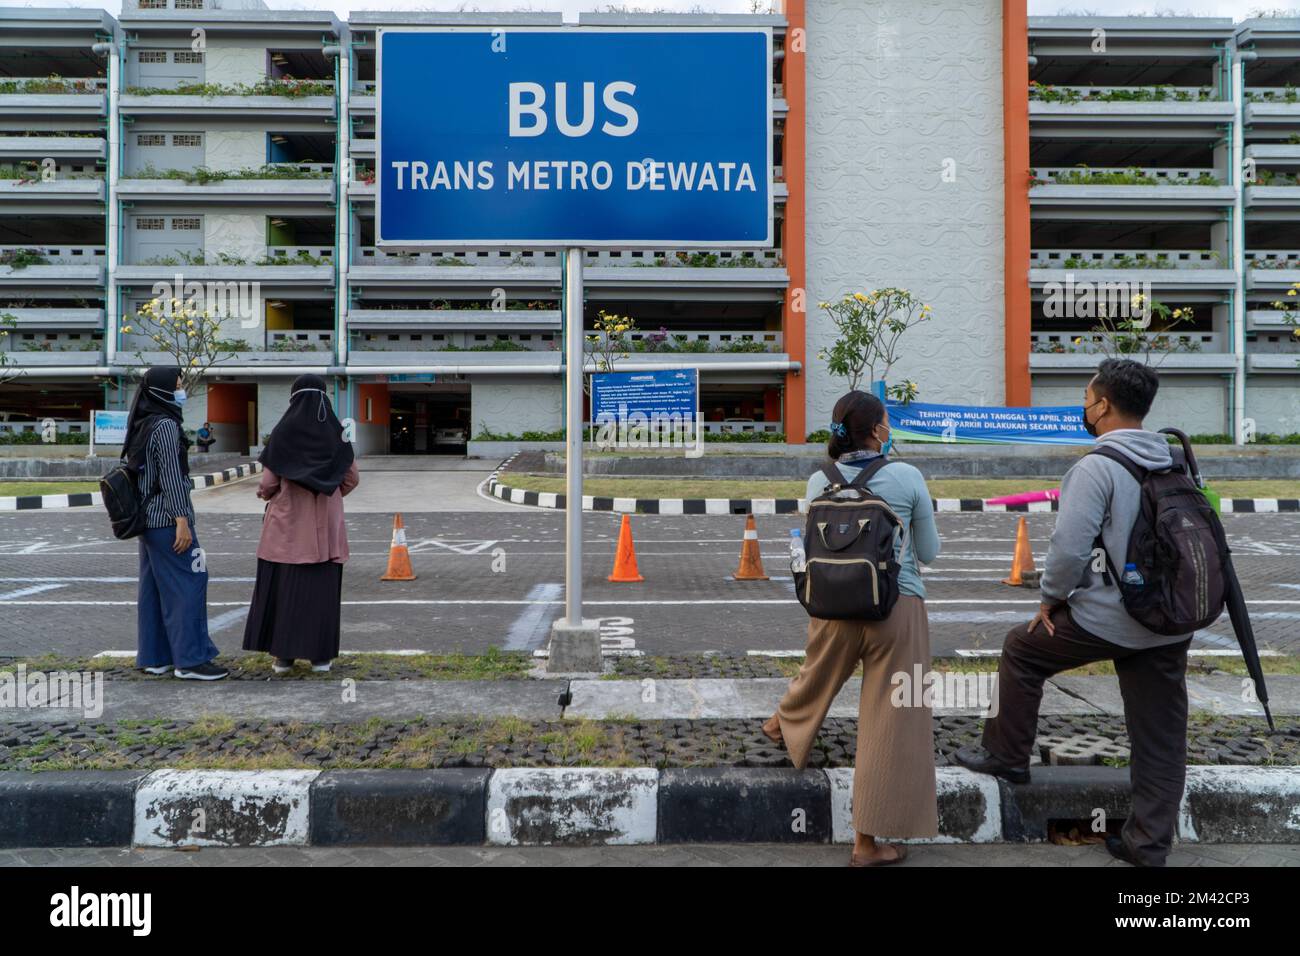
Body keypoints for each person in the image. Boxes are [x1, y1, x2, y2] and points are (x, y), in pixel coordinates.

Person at [954, 358, 1190, 867]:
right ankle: (1147, 845)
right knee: (1162, 734)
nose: (1084, 406)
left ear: (1103, 405)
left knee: (1023, 648)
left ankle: (1008, 757)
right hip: (1171, 620)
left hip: (1113, 619)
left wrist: (1050, 600)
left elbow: (1068, 549)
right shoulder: (1175, 458)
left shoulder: (1096, 466)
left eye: (1087, 398)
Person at [764, 390, 941, 866]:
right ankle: (867, 845)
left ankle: (782, 721)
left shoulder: (816, 480)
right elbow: (928, 551)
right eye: (887, 422)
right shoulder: (906, 476)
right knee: (891, 721)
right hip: (895, 606)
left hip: (832, 603)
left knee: (819, 668)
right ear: (878, 430)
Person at [243, 374, 358, 673]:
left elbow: (268, 483)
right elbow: (351, 478)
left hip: (287, 531)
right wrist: (328, 492)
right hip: (325, 533)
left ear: (293, 398)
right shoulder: (337, 435)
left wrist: (271, 494)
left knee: (284, 591)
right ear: (324, 400)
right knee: (321, 592)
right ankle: (321, 658)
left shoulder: (283, 433)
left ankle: (283, 658)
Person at [123, 366, 227, 681]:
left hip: (147, 523)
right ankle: (192, 661)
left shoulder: (143, 423)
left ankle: (155, 657)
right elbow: (171, 478)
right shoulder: (167, 426)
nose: (182, 391)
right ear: (163, 391)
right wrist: (182, 520)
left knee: (153, 589)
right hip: (169, 521)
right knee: (189, 584)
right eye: (178, 385)